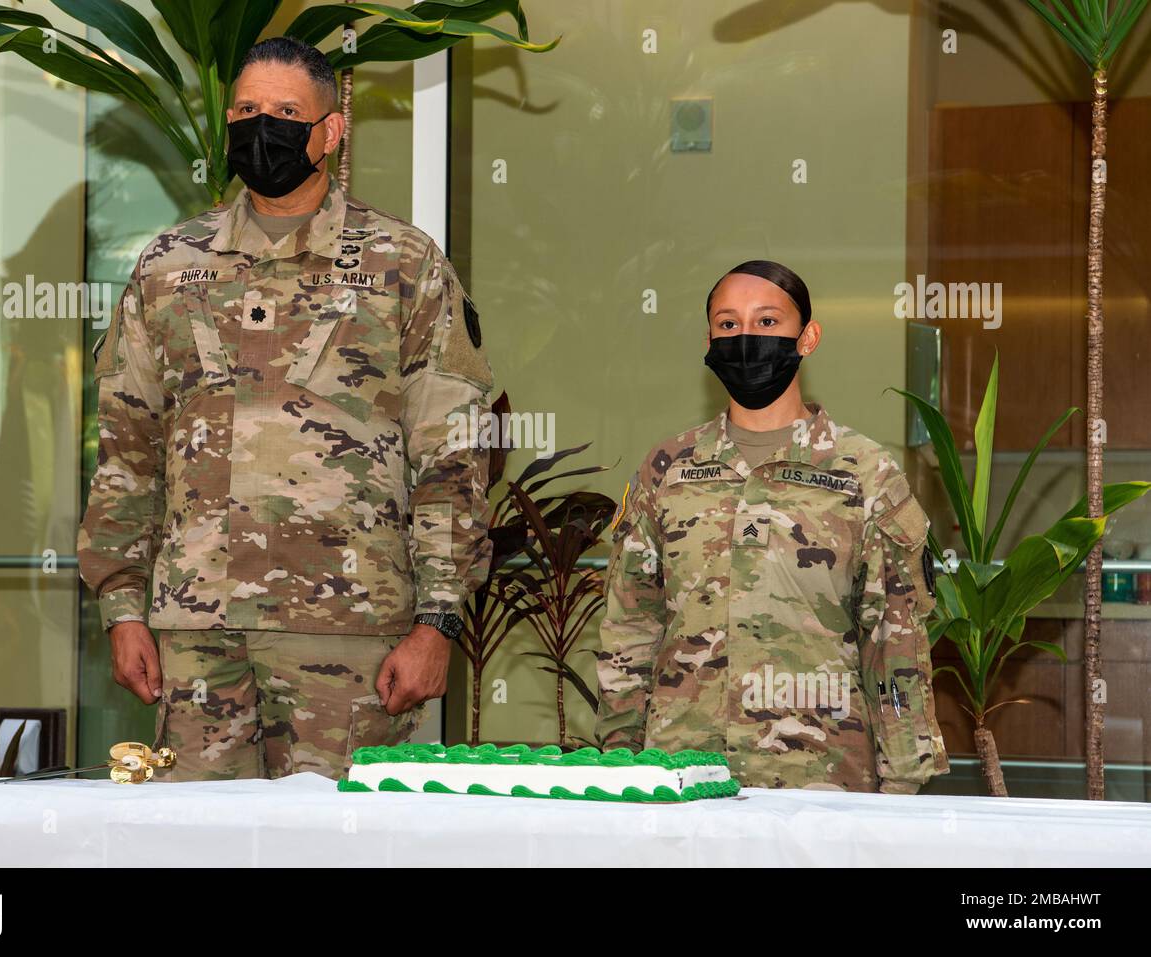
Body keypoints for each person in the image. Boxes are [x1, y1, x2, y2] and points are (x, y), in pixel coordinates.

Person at [77, 36, 493, 781]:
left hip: (351, 633)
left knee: (346, 846)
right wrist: (123, 607)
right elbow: (127, 451)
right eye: (245, 110)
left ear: (331, 132)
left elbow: (451, 457)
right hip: (196, 630)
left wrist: (438, 621)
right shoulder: (169, 265)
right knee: (195, 847)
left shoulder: (403, 263)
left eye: (286, 112)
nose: (260, 126)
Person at [594, 260, 949, 792]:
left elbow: (894, 643)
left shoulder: (864, 473)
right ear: (710, 340)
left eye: (767, 322)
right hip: (681, 777)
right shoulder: (668, 468)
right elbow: (632, 624)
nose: (746, 338)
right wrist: (620, 761)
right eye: (728, 324)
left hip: (821, 779)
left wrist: (902, 785)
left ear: (807, 337)